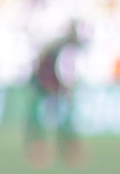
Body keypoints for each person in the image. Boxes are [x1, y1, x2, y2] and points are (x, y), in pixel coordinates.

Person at [24, 22, 85, 166]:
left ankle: (64, 148)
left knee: (61, 120)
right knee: (40, 119)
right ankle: (40, 148)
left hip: (50, 85)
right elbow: (49, 70)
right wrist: (56, 87)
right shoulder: (58, 48)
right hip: (44, 85)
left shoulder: (59, 47)